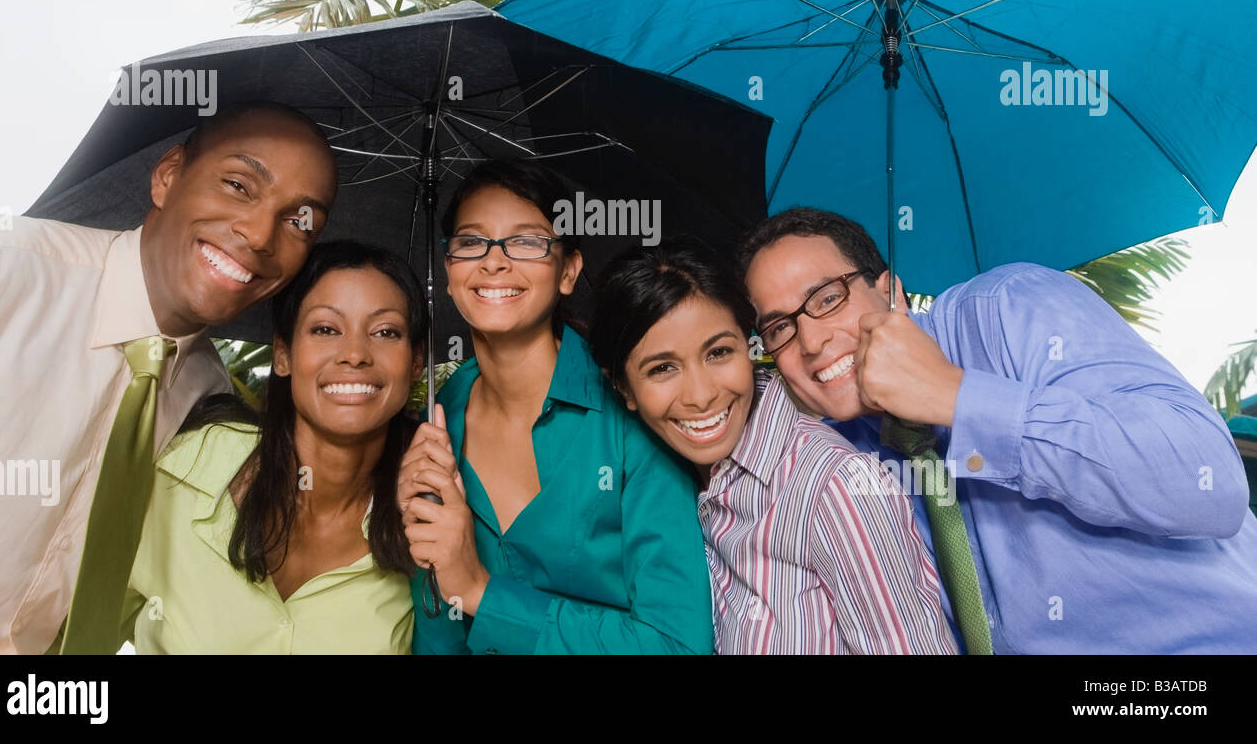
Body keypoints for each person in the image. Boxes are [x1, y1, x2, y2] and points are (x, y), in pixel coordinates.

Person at [738, 207, 1257, 654]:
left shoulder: (1007, 309)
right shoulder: (836, 462)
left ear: (889, 291)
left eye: (827, 297)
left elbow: (1210, 485)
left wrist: (953, 397)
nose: (809, 340)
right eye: (780, 327)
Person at [0, 102, 338, 654]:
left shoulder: (209, 404)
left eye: (300, 220)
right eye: (238, 185)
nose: (259, 235)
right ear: (168, 176)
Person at [397, 159, 713, 654]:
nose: (494, 261)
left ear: (568, 270)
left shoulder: (632, 411)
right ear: (449, 269)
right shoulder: (437, 422)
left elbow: (676, 643)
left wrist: (482, 592)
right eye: (471, 242)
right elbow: (436, 621)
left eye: (526, 241)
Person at [590, 241, 958, 654]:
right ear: (624, 388)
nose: (700, 395)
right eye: (662, 368)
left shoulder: (834, 487)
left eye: (718, 352)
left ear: (750, 349)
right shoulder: (658, 483)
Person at [121, 241, 423, 653]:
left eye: (386, 332)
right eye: (325, 329)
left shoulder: (430, 518)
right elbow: (68, 617)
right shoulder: (185, 467)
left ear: (417, 363)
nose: (355, 354)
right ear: (283, 354)